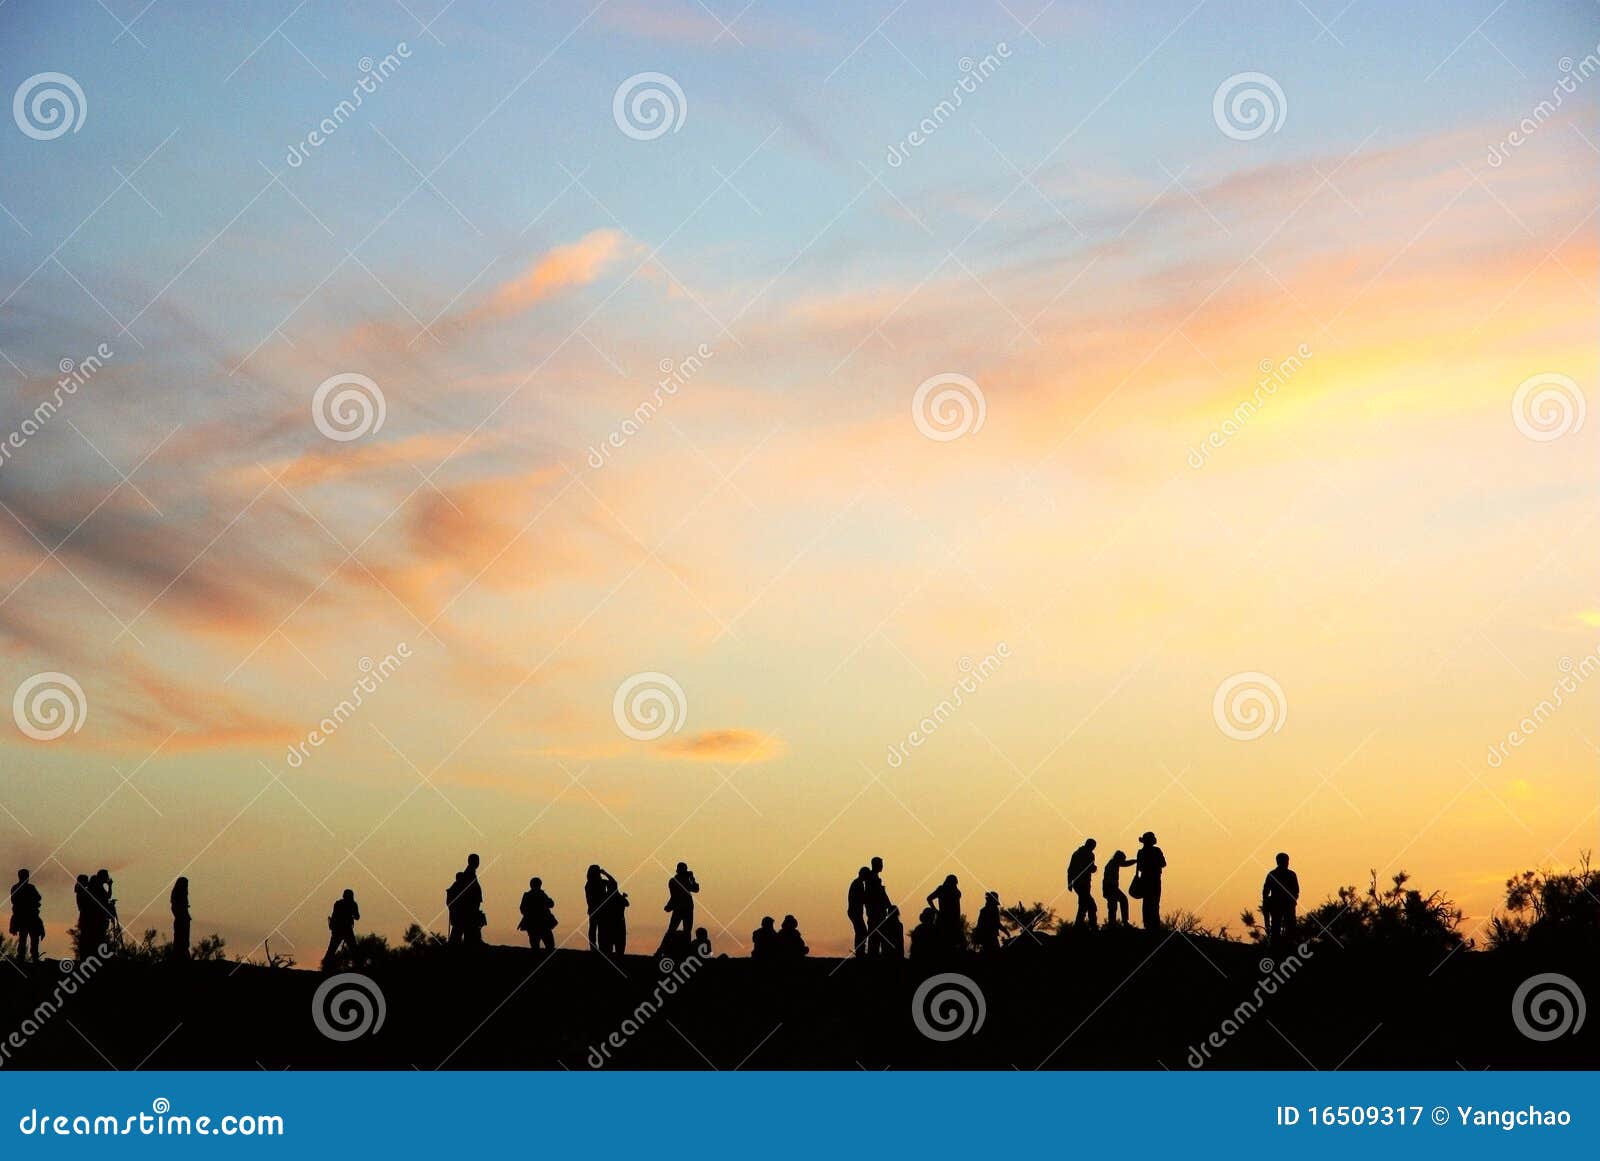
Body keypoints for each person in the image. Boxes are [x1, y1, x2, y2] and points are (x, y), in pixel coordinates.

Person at [660, 862, 699, 952]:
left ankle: (685, 951)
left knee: (682, 931)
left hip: (685, 908)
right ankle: (661, 950)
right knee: (674, 930)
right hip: (681, 908)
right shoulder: (675, 881)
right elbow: (675, 896)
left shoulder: (676, 880)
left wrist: (692, 878)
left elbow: (695, 889)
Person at [446, 854, 484, 947]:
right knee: (460, 931)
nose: (477, 863)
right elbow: (468, 893)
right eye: (476, 861)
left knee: (464, 931)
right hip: (466, 910)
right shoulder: (469, 874)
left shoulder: (470, 873)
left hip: (467, 909)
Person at [1261, 852, 1300, 943]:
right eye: (1285, 861)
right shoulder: (1277, 874)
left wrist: (1292, 901)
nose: (1286, 863)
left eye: (1287, 861)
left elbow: (1296, 891)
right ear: (1279, 862)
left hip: (1285, 905)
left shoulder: (1286, 874)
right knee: (1277, 928)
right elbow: (1265, 892)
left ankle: (1284, 946)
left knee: (1287, 928)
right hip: (1278, 905)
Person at [1131, 831, 1166, 930]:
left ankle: (1148, 925)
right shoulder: (1157, 851)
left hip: (1145, 880)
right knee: (1154, 903)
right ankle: (1154, 926)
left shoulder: (1141, 852)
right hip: (1154, 880)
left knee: (1147, 904)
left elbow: (1139, 868)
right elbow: (1163, 864)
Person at [9, 869, 42, 963]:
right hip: (28, 917)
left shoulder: (15, 887)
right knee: (31, 938)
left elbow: (14, 901)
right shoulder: (30, 888)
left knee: (25, 937)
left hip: (23, 917)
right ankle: (32, 957)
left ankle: (22, 957)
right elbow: (38, 898)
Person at [323, 889, 360, 968]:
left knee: (332, 949)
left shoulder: (338, 904)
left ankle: (325, 965)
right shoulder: (353, 904)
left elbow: (334, 916)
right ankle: (358, 967)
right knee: (353, 949)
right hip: (345, 930)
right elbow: (357, 917)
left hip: (339, 930)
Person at [926, 874, 963, 950]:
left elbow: (929, 898)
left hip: (951, 920)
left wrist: (935, 910)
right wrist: (936, 910)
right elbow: (929, 898)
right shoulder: (951, 891)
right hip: (947, 920)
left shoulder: (947, 890)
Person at [1068, 838, 1099, 928]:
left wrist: (1069, 883)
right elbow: (1090, 868)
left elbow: (1070, 869)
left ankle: (1081, 926)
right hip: (1084, 883)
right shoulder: (1090, 854)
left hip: (1077, 884)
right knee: (1090, 905)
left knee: (1084, 904)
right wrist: (1094, 868)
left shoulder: (1076, 853)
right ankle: (1089, 926)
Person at [519, 877, 556, 951]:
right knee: (548, 945)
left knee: (537, 945)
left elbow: (522, 909)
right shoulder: (540, 895)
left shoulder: (529, 895)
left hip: (534, 924)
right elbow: (551, 904)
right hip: (542, 924)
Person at [585, 865, 615, 952]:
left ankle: (596, 948)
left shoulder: (589, 884)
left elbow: (613, 883)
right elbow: (613, 883)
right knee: (599, 930)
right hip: (600, 910)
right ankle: (598, 948)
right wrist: (605, 873)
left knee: (596, 930)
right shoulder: (599, 883)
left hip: (595, 910)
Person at [864, 856, 890, 956]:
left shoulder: (873, 877)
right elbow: (875, 895)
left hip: (876, 910)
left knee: (877, 934)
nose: (882, 866)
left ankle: (873, 954)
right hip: (876, 911)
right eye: (881, 864)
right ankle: (873, 955)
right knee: (876, 934)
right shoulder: (872, 878)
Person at [1102, 849, 1133, 926]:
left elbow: (1125, 863)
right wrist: (1135, 861)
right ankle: (1120, 922)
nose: (1123, 861)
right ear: (1118, 858)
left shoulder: (1112, 863)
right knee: (1118, 902)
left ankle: (1113, 923)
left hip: (1110, 887)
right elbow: (1125, 863)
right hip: (1110, 887)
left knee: (1114, 904)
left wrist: (1134, 861)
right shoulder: (1113, 864)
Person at [847, 866, 871, 957]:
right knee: (861, 931)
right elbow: (861, 898)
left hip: (855, 912)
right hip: (855, 912)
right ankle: (860, 952)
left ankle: (860, 951)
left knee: (861, 931)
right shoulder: (858, 884)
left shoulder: (858, 883)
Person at [73, 873, 99, 957]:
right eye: (86, 881)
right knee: (86, 937)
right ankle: (85, 955)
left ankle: (84, 955)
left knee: (85, 936)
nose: (88, 882)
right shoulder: (82, 891)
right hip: (86, 916)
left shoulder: (80, 890)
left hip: (85, 916)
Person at [91, 869, 118, 946]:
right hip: (98, 916)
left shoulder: (98, 886)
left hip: (99, 916)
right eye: (107, 876)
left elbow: (107, 897)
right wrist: (110, 886)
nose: (108, 878)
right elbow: (107, 897)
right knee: (100, 936)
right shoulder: (98, 887)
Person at [170, 877, 191, 960]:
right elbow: (175, 909)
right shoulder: (177, 898)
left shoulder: (182, 896)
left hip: (184, 919)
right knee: (180, 939)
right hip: (181, 920)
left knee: (184, 940)